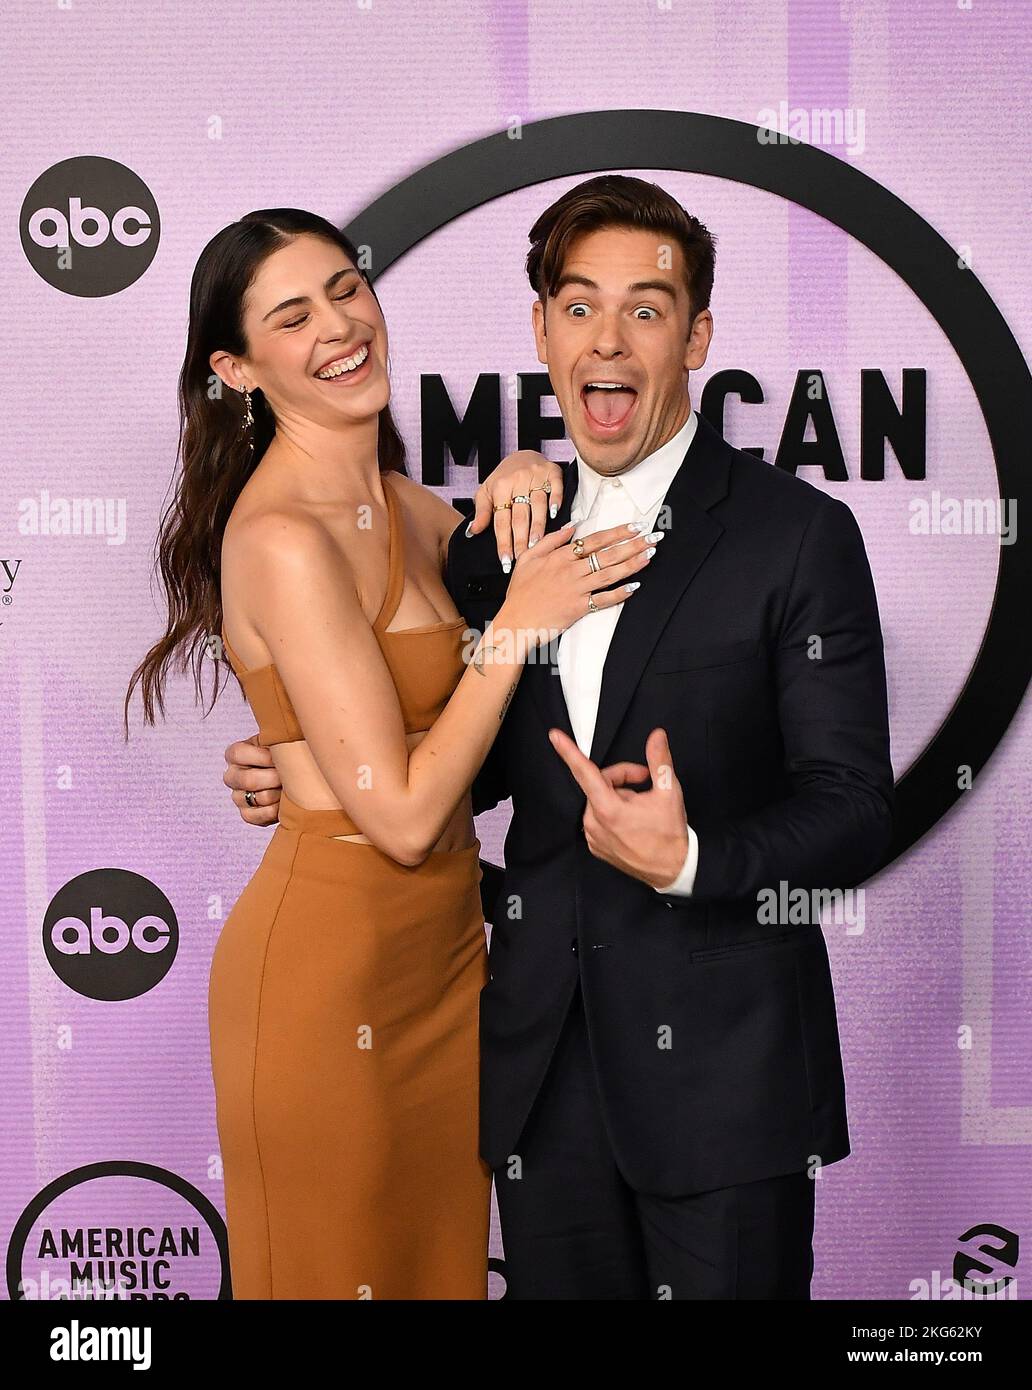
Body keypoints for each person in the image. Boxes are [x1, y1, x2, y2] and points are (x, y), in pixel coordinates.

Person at [225, 177, 895, 1299]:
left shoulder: (798, 535)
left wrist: (691, 859)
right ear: (540, 330)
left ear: (698, 337)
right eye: (578, 307)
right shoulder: (494, 545)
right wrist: (298, 768)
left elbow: (855, 805)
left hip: (726, 1086)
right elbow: (456, 766)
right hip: (534, 1078)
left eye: (647, 307)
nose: (609, 337)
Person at [124, 206, 657, 1300]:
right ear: (236, 367)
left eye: (345, 288)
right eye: (291, 314)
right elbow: (406, 813)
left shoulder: (414, 512)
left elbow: (471, 728)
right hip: (330, 972)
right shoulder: (279, 536)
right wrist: (516, 623)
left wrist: (521, 473)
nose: (339, 323)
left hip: (450, 969)